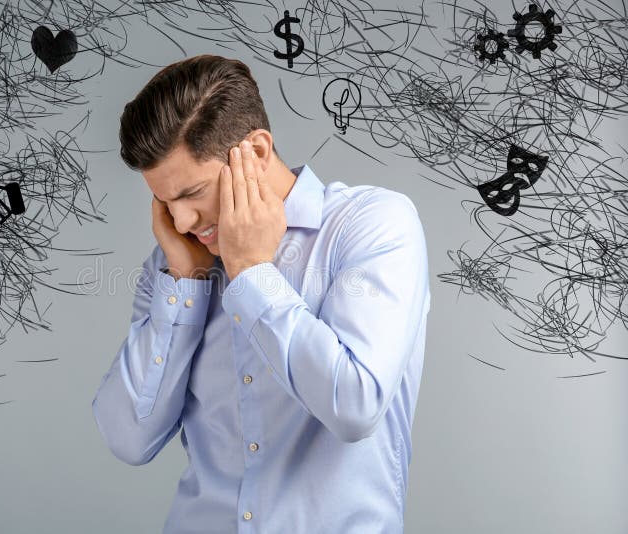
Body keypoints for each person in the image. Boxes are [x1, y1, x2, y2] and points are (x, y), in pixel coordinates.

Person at [92, 54, 431, 534]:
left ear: (254, 151)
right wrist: (184, 284)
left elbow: (354, 406)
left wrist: (250, 270)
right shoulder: (177, 261)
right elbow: (130, 437)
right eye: (165, 202)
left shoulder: (373, 225)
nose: (181, 221)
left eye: (192, 193)